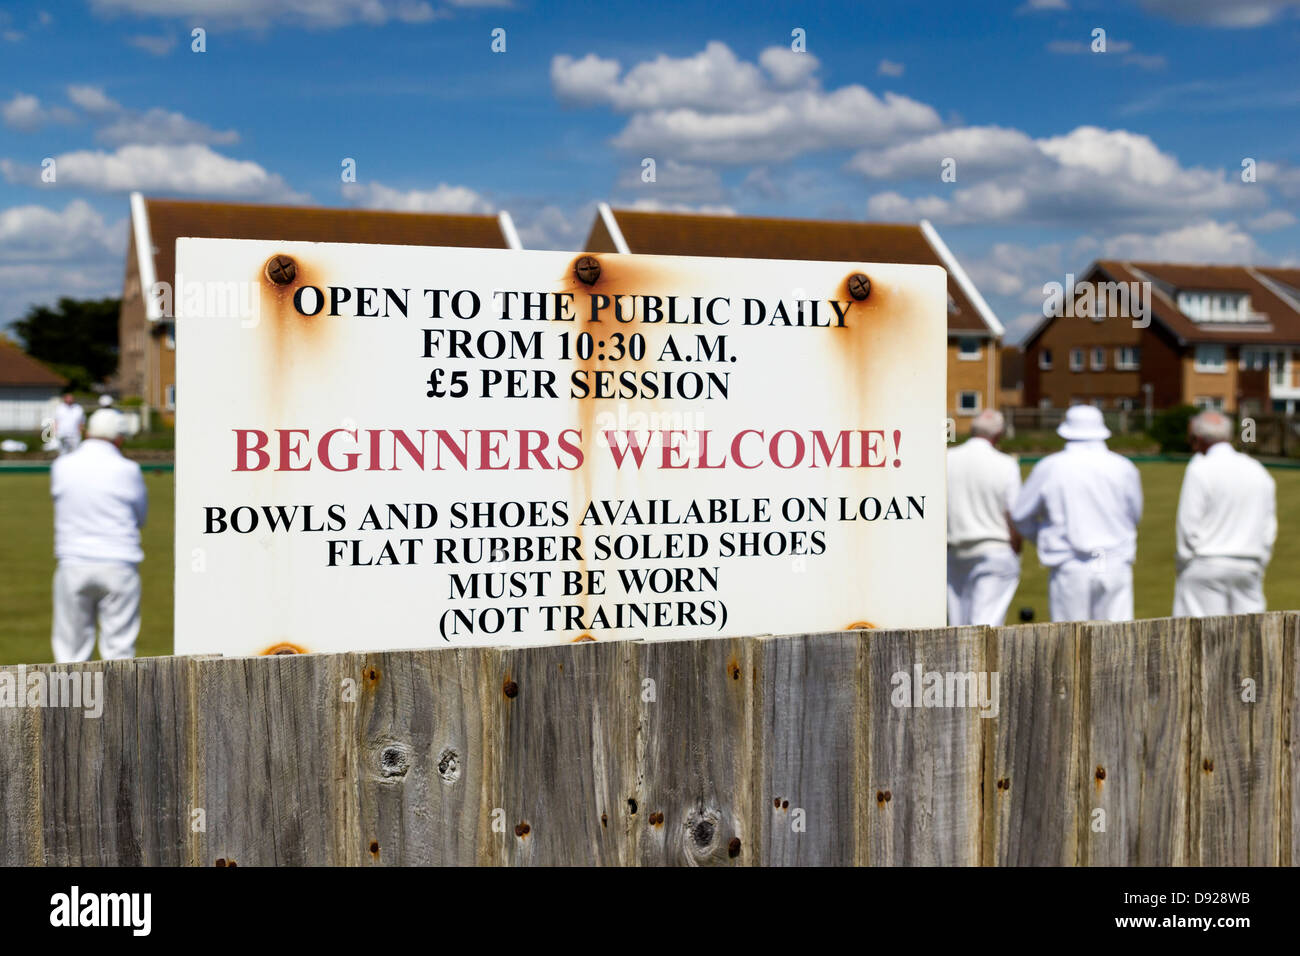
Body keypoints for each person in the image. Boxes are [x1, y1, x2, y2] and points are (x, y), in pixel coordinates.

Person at [1011, 405, 1142, 622]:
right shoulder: (1123, 467)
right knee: (1117, 645)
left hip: (1069, 565)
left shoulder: (1050, 467)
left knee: (1070, 646)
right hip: (1114, 564)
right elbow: (1134, 515)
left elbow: (1021, 515)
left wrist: (1045, 537)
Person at [50, 408, 147, 662]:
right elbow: (140, 517)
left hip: (73, 563)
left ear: (86, 431)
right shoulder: (128, 469)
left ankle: (68, 702)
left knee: (70, 653)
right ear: (119, 438)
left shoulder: (62, 466)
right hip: (119, 563)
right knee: (120, 653)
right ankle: (122, 703)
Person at [1172, 410, 1276, 616]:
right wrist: (1259, 560)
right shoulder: (1257, 469)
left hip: (1206, 564)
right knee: (1251, 640)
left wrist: (1187, 564)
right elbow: (1268, 528)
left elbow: (1188, 525)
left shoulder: (1199, 468)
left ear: (1199, 439)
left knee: (1202, 641)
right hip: (1249, 566)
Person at [946, 408, 1022, 626]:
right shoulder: (1006, 464)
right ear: (998, 435)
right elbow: (1013, 513)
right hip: (995, 551)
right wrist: (1016, 548)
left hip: (956, 552)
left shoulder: (947, 459)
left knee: (958, 627)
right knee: (986, 627)